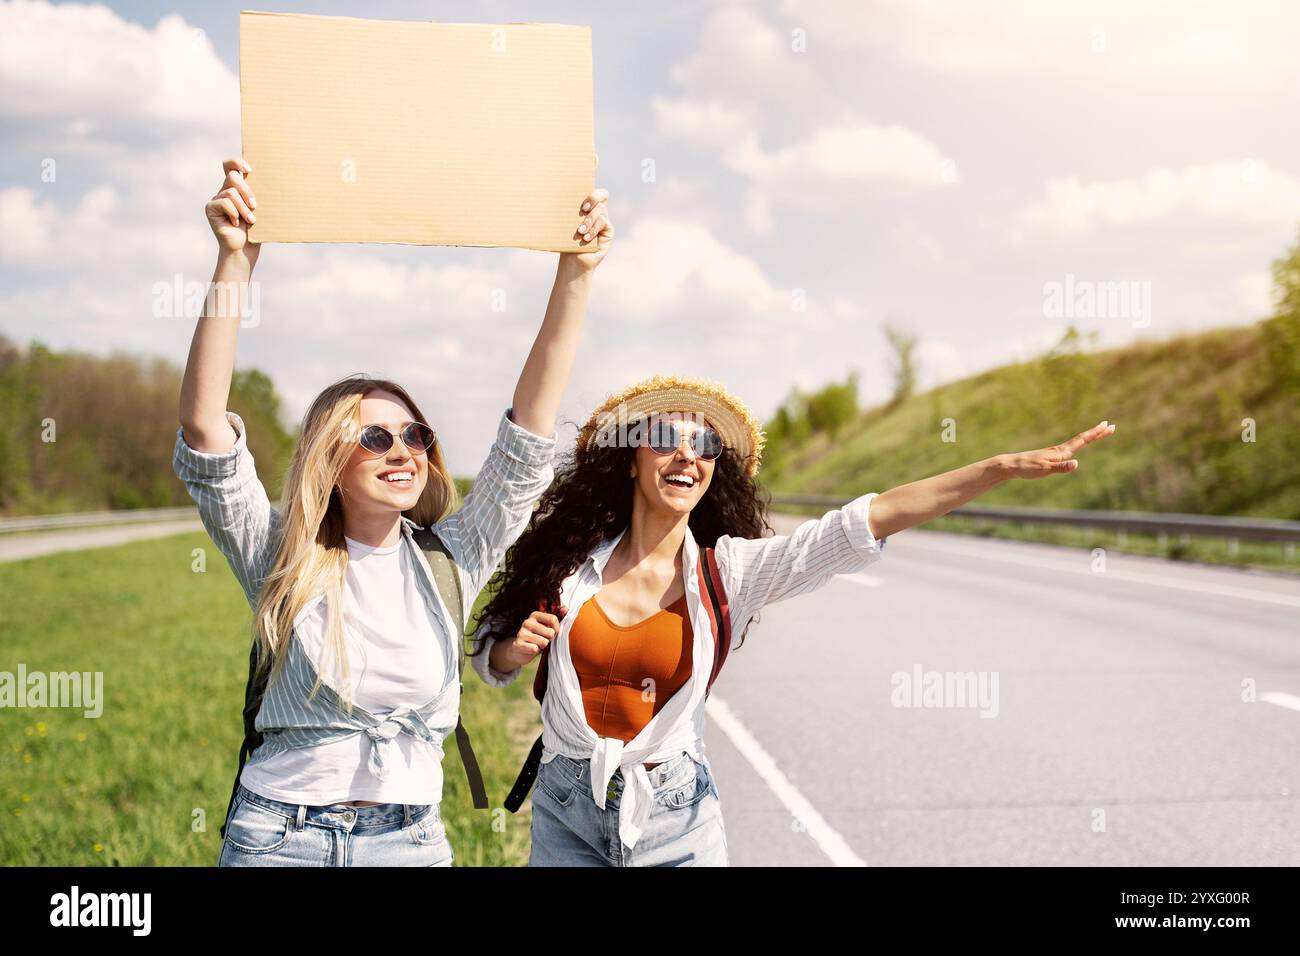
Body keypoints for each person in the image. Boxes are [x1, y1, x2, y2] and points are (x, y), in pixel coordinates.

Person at [470, 374, 1115, 866]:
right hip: (564, 805)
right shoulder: (566, 566)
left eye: (705, 445)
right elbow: (490, 649)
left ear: (714, 468)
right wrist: (509, 654)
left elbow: (865, 521)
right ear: (632, 457)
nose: (685, 456)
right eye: (666, 437)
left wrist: (997, 468)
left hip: (672, 815)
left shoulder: (730, 573)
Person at [173, 155, 613, 866]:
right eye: (374, 436)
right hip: (278, 837)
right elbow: (204, 433)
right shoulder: (278, 556)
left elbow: (527, 437)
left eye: (415, 434)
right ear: (330, 460)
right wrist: (236, 261)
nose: (402, 448)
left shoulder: (453, 558)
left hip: (408, 841)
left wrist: (577, 274)